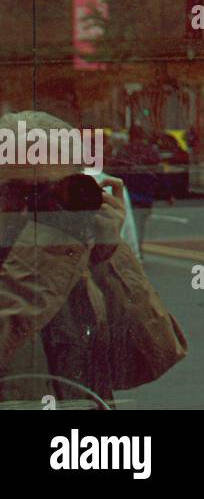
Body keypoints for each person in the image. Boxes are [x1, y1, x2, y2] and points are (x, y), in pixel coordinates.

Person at [0, 111, 187, 406]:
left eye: (49, 190)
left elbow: (154, 357)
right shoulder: (50, 256)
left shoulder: (71, 255)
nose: (32, 206)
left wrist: (109, 256)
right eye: (15, 190)